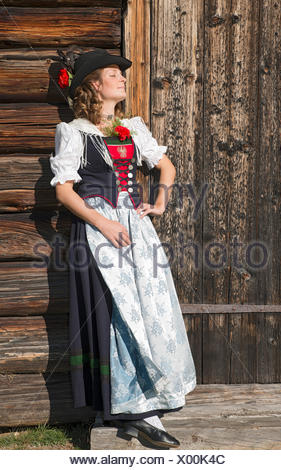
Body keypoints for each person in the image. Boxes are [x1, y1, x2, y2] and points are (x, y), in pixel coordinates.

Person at [49, 47, 196, 448]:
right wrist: (103, 222)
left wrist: (160, 202)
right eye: (114, 74)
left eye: (121, 74)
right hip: (98, 231)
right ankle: (134, 411)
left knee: (148, 312)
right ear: (93, 85)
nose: (122, 78)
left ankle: (143, 405)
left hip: (135, 227)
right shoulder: (74, 131)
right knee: (115, 314)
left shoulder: (130, 127)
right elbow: (64, 190)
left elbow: (166, 166)